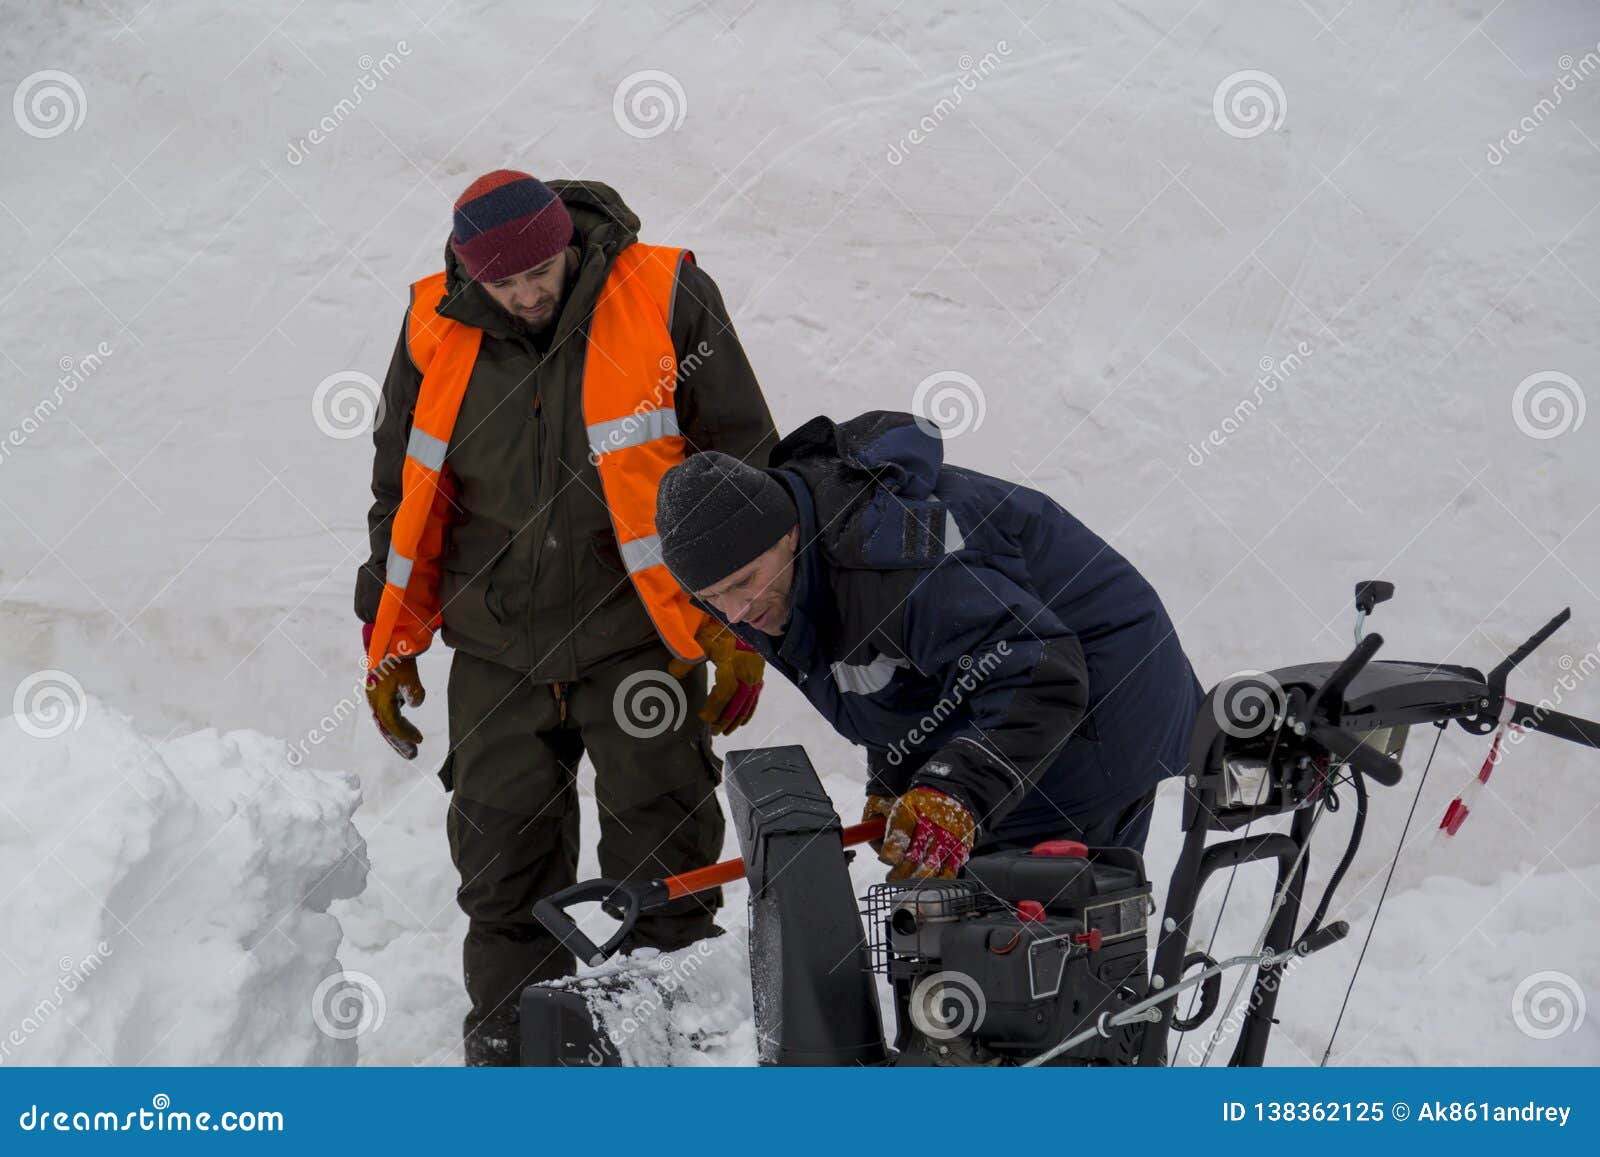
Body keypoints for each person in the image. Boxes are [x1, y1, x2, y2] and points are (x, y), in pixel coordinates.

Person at [356, 170, 777, 1064]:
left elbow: (744, 460)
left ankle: (663, 1052)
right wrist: (388, 638)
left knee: (662, 867)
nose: (528, 294)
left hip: (641, 638)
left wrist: (742, 628)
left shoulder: (663, 291)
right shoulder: (436, 323)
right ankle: (516, 1063)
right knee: (503, 870)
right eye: (505, 284)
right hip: (497, 646)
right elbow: (403, 491)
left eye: (540, 272)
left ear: (567, 244)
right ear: (475, 278)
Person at [654, 411, 1203, 880]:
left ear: (788, 534)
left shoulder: (890, 555)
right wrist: (895, 776)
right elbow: (898, 674)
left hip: (1100, 705)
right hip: (1030, 697)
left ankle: (1099, 1001)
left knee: (1037, 930)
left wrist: (954, 791)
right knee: (977, 928)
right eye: (712, 597)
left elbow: (1038, 673)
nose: (735, 612)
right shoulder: (786, 583)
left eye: (744, 583)